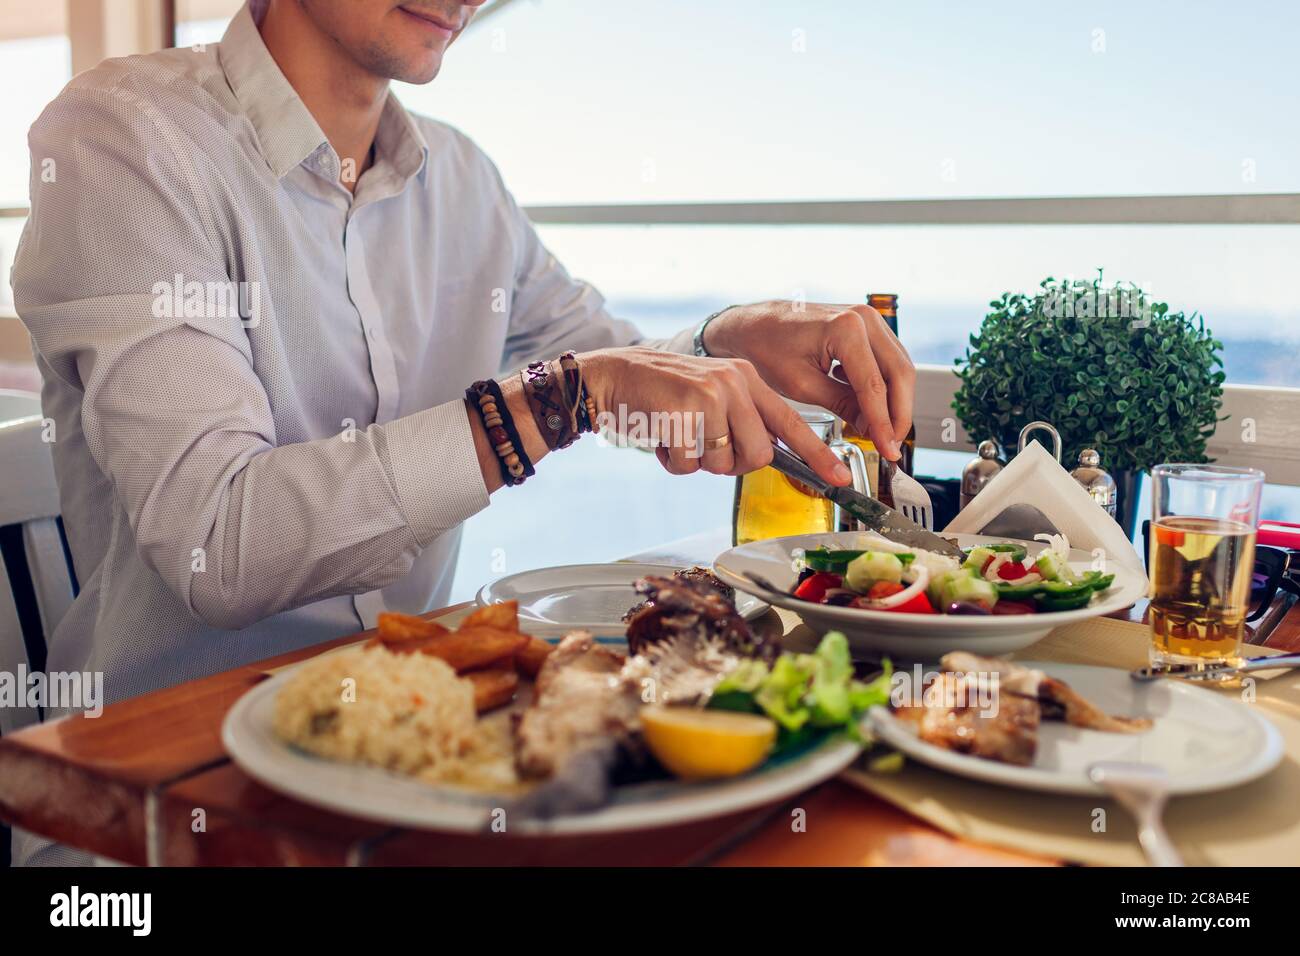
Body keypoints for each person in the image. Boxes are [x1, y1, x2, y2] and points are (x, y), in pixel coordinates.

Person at [10, 0, 915, 865]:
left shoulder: (463, 182)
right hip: (152, 816)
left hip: (422, 776)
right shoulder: (126, 139)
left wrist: (724, 342)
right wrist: (560, 400)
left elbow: (609, 366)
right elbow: (222, 536)